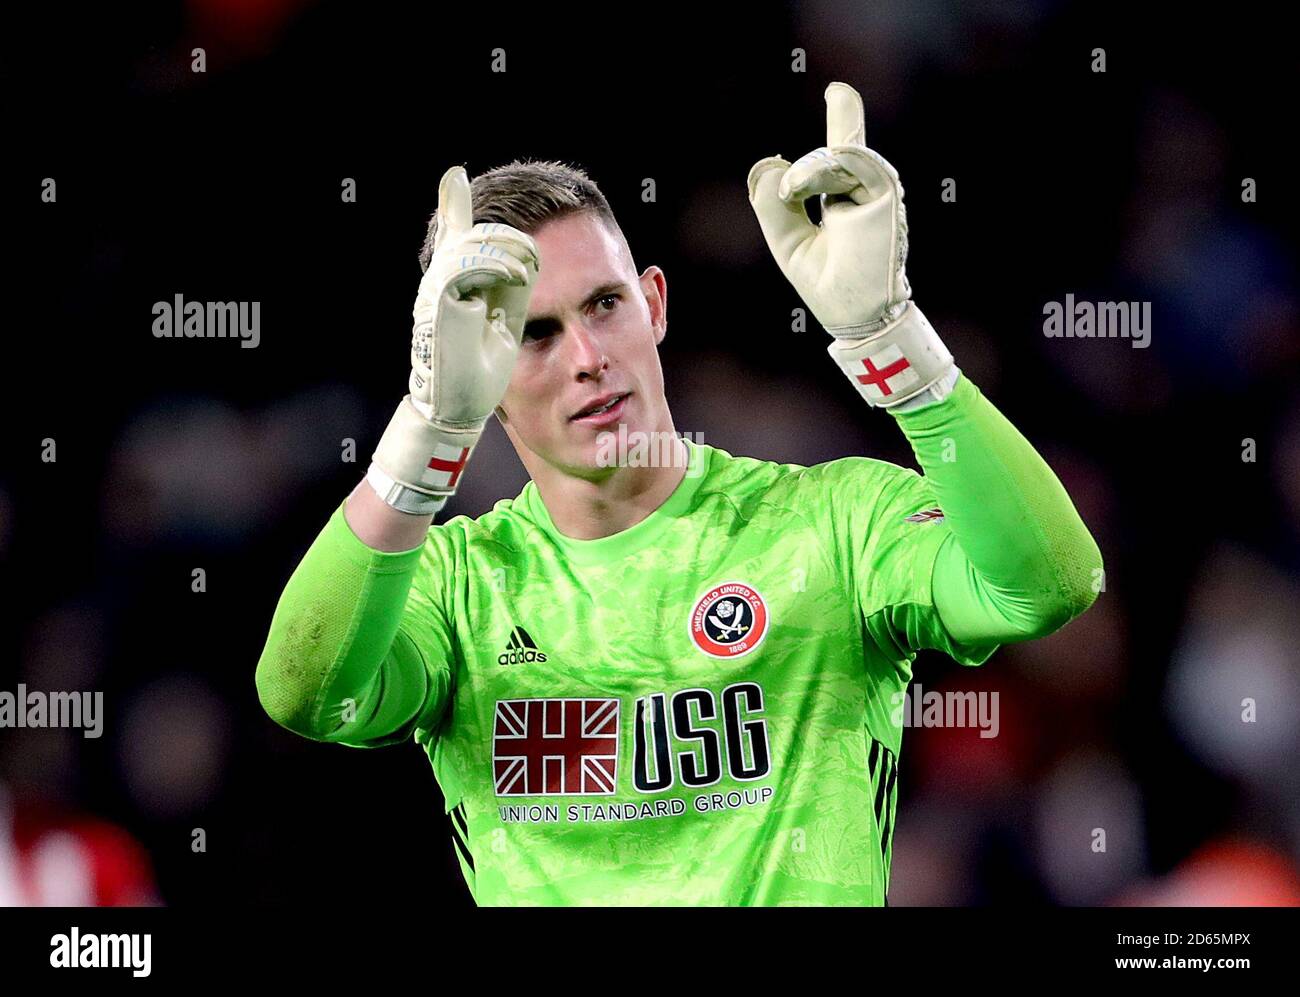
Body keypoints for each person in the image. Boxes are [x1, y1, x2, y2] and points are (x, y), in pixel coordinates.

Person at [255, 82, 1102, 906]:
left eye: (605, 304)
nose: (589, 355)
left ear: (654, 303)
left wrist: (893, 342)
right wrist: (430, 430)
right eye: (536, 333)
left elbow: (1048, 585)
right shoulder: (452, 587)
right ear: (480, 368)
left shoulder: (836, 522)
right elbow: (304, 690)